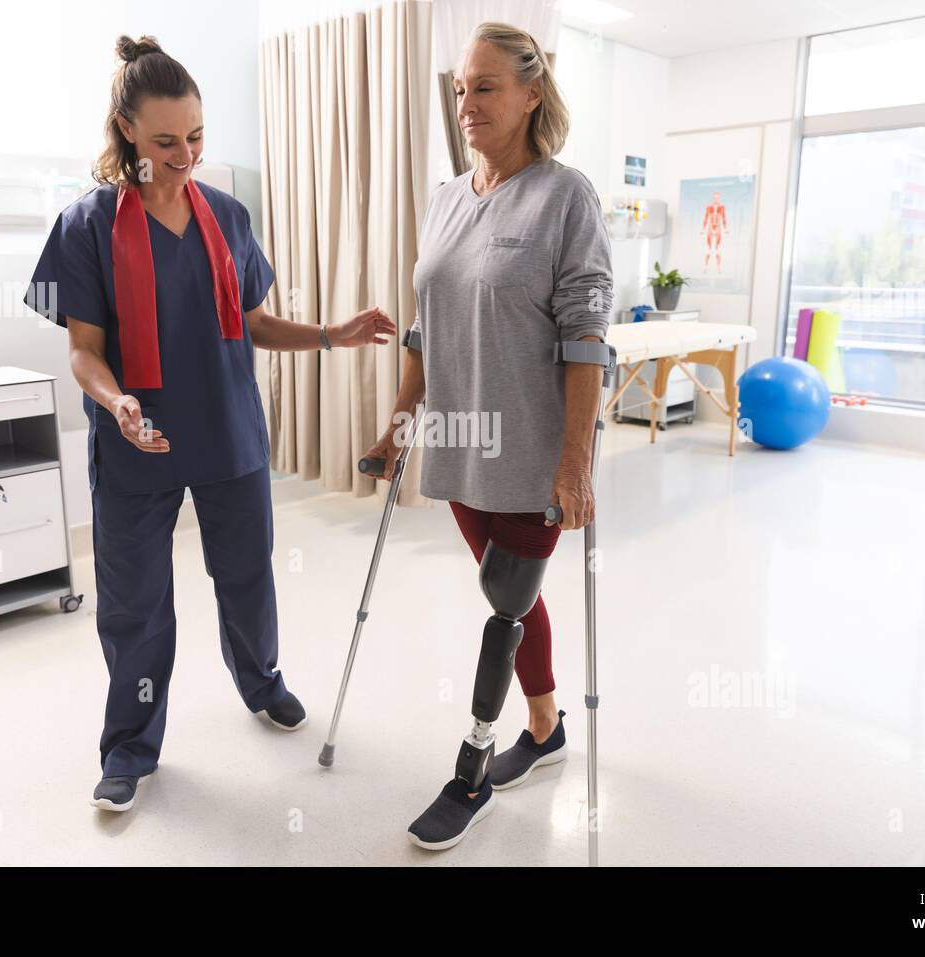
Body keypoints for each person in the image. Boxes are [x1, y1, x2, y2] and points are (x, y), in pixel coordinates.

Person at [23, 35, 396, 813]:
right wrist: (118, 401)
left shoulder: (226, 215)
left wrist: (334, 334)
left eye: (197, 136)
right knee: (136, 603)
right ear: (127, 128)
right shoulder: (87, 225)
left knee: (248, 577)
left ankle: (262, 683)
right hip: (138, 444)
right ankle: (130, 744)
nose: (186, 153)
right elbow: (84, 352)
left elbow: (250, 323)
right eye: (166, 141)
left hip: (228, 434)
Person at [363, 22, 613, 850]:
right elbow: (425, 331)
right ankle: (545, 730)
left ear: (532, 93)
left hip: (540, 451)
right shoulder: (444, 199)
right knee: (513, 592)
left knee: (507, 603)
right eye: (462, 88)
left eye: (487, 86)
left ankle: (470, 769)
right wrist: (398, 428)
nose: (467, 101)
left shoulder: (563, 194)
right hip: (461, 443)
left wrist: (576, 466)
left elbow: (586, 339)